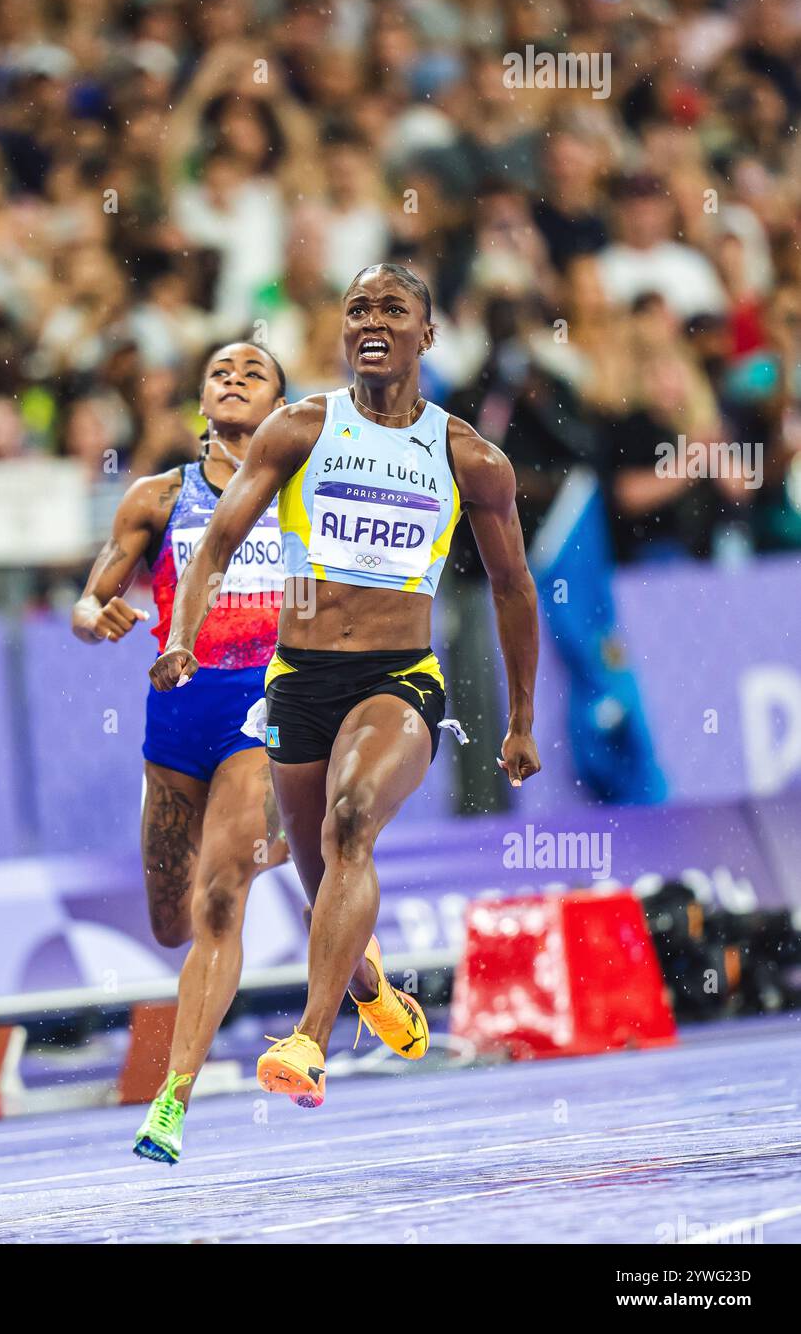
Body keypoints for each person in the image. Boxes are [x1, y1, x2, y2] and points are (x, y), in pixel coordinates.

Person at [151, 264, 541, 1108]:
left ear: (425, 335)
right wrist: (182, 635)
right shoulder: (297, 429)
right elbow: (215, 546)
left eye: (392, 308)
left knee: (350, 823)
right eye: (356, 307)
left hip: (398, 678)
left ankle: (310, 1041)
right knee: (315, 869)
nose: (371, 319)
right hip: (297, 682)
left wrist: (518, 718)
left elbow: (512, 587)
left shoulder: (467, 455)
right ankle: (369, 988)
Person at [71, 341, 288, 1164]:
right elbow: (87, 605)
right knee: (171, 921)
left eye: (254, 373)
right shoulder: (157, 498)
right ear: (199, 397)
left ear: (277, 407)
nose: (233, 379)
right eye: (220, 371)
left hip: (258, 705)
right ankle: (294, 852)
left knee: (219, 899)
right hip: (174, 717)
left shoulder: (297, 494)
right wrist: (97, 618)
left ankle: (172, 1100)